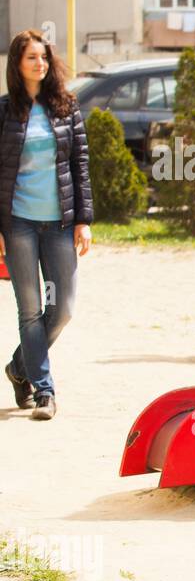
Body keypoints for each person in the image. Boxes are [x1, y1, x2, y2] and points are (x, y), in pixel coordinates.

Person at [0, 29, 92, 421]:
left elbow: (80, 167)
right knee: (31, 310)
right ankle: (44, 391)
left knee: (63, 306)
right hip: (18, 225)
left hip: (59, 225)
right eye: (31, 58)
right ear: (17, 65)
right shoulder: (4, 111)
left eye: (43, 57)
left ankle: (19, 367)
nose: (40, 63)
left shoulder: (66, 107)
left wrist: (83, 220)